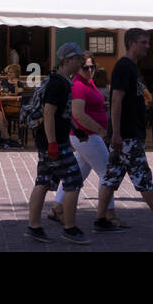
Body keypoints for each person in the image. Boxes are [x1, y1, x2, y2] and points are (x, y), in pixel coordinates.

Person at [94, 29, 153, 234]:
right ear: (132, 43)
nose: (148, 46)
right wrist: (116, 132)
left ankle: (100, 220)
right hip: (127, 134)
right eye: (144, 42)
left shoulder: (131, 67)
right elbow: (116, 100)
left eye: (148, 42)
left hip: (127, 133)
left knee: (112, 176)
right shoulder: (124, 66)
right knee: (142, 176)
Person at [22, 44, 90, 244]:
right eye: (78, 59)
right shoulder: (58, 84)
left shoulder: (57, 80)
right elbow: (49, 113)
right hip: (54, 142)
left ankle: (33, 226)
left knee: (43, 181)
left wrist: (75, 130)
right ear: (66, 60)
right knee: (74, 181)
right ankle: (69, 228)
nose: (81, 62)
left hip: (48, 140)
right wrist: (53, 143)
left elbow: (61, 113)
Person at [50, 55, 125, 229]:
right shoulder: (78, 85)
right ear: (77, 68)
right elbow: (78, 113)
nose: (90, 70)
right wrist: (101, 131)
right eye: (86, 67)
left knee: (78, 175)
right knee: (107, 173)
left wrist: (101, 106)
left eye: (93, 67)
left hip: (87, 137)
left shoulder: (88, 83)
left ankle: (56, 208)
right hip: (88, 136)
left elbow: (88, 106)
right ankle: (108, 214)